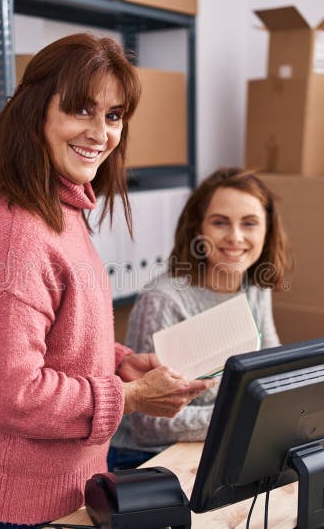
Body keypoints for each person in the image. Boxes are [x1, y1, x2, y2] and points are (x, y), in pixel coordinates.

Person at [0, 34, 214, 528]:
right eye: (81, 111)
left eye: (113, 116)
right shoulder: (16, 235)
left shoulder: (59, 207)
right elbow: (14, 393)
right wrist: (128, 398)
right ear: (35, 113)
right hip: (18, 501)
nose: (100, 133)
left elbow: (55, 340)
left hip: (63, 483)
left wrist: (119, 363)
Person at [108, 168, 294, 470]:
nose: (235, 237)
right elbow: (147, 426)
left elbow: (272, 367)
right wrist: (247, 419)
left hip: (214, 443)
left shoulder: (255, 286)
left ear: (268, 231)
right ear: (198, 230)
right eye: (220, 222)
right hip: (147, 458)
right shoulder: (163, 301)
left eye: (249, 223)